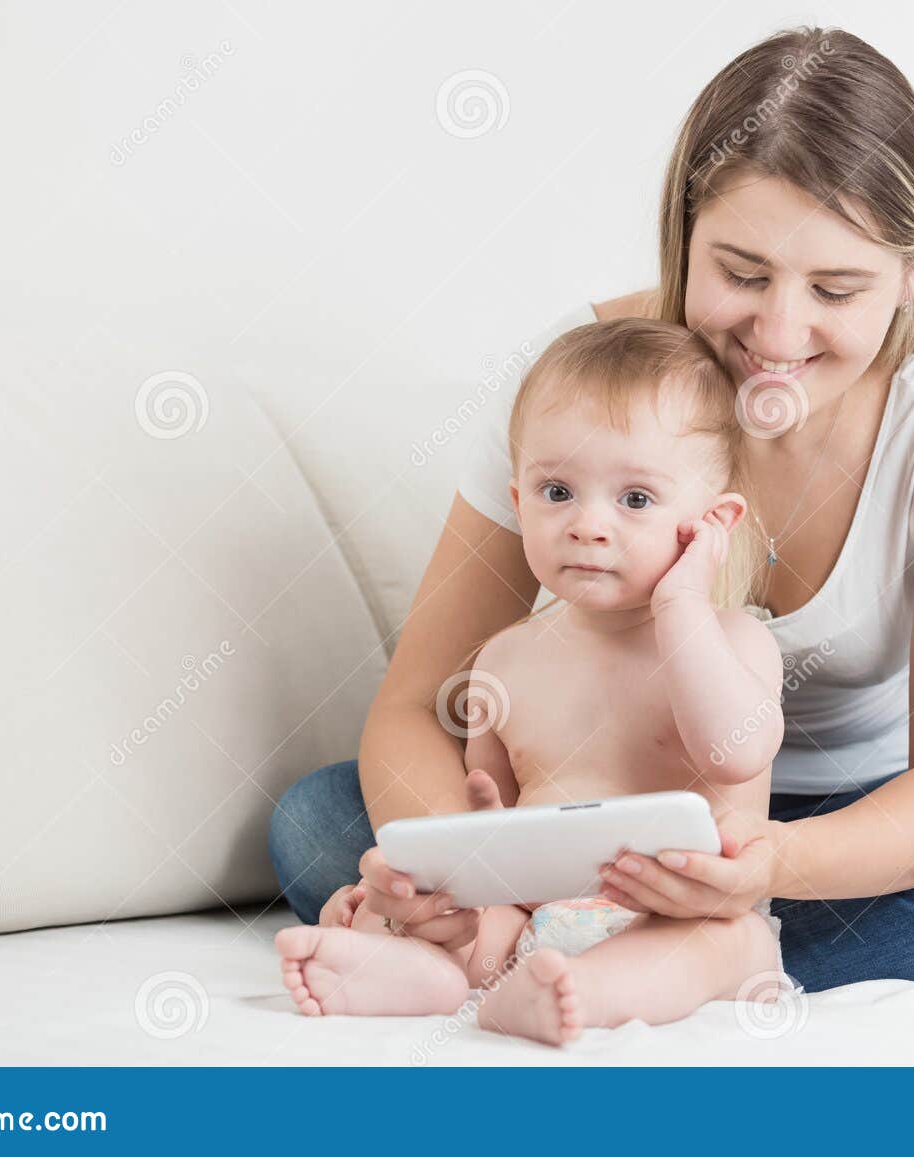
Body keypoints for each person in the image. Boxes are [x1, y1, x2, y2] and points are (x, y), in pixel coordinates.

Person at [269, 25, 914, 994]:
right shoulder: (576, 380)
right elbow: (417, 705)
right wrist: (461, 870)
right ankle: (618, 950)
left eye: (836, 287)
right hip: (605, 816)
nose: (779, 333)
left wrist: (770, 864)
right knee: (317, 820)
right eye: (742, 273)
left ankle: (639, 951)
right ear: (682, 234)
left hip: (849, 830)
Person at [276, 319, 787, 1045]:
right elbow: (496, 823)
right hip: (536, 917)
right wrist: (461, 854)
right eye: (557, 490)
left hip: (684, 913)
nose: (587, 523)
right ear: (518, 504)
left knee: (732, 943)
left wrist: (681, 603)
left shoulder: (737, 642)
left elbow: (737, 752)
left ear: (712, 523)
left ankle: (584, 990)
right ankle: (419, 971)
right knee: (442, 908)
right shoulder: (505, 658)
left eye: (635, 499)